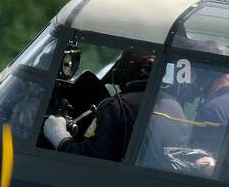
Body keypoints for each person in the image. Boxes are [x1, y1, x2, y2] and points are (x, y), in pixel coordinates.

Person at [42, 51, 186, 161]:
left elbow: (89, 158)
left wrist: (59, 136)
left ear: (122, 72)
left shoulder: (115, 107)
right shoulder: (175, 107)